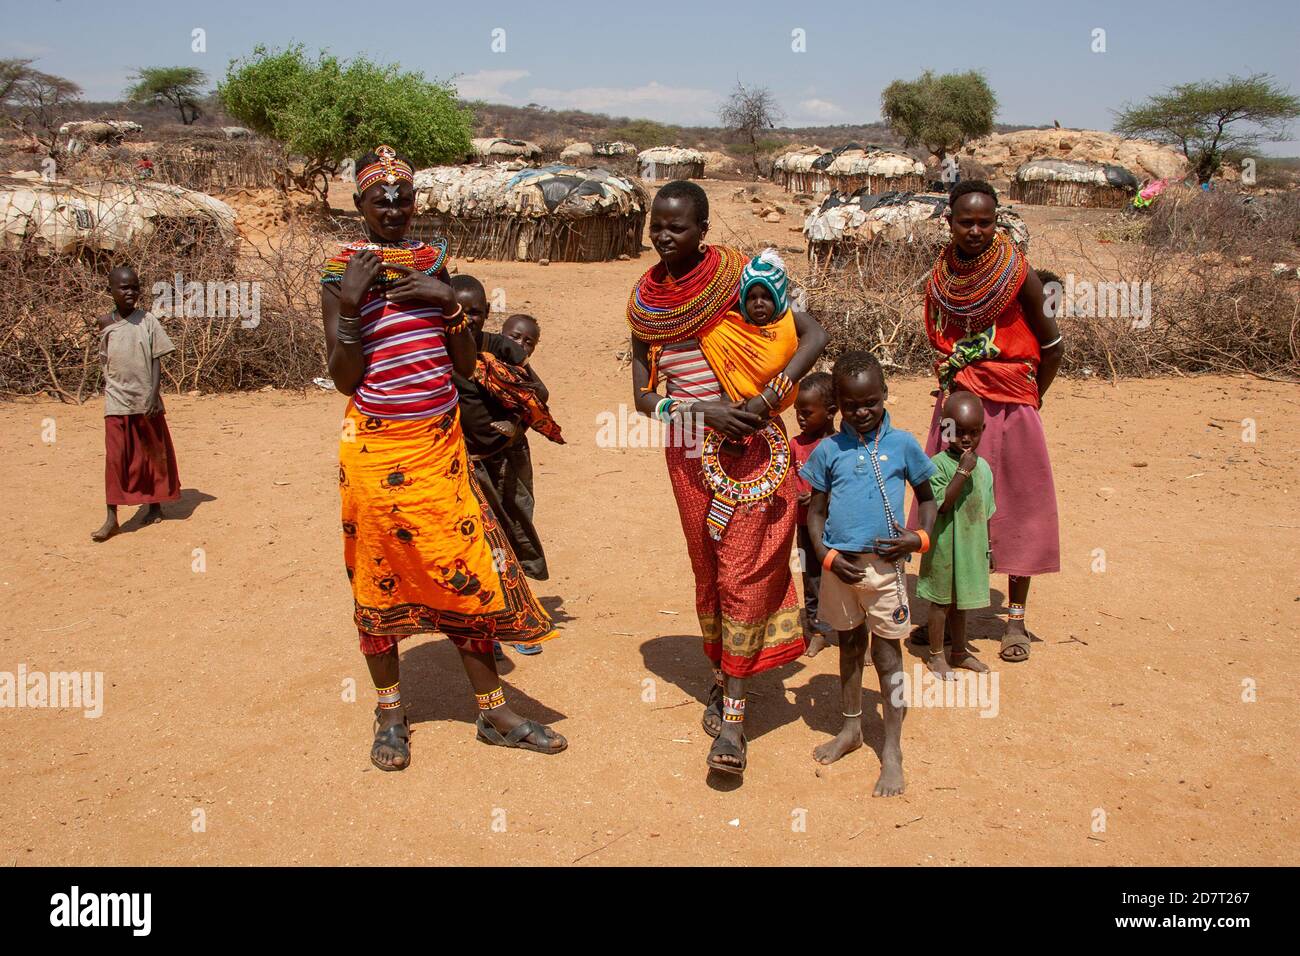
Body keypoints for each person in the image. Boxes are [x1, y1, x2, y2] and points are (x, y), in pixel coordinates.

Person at [320, 145, 565, 772]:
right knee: (379, 578)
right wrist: (351, 308)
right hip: (377, 448)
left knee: (467, 571)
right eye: (381, 197)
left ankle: (492, 709)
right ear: (360, 204)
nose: (395, 207)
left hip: (439, 445)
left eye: (403, 195)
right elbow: (345, 379)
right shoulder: (338, 273)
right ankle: (390, 712)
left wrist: (447, 302)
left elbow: (461, 365)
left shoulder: (433, 263)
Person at [628, 182, 827, 777]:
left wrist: (769, 395)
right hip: (689, 451)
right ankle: (723, 675)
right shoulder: (645, 303)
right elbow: (641, 397)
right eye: (657, 226)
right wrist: (698, 412)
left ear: (704, 228)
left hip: (755, 447)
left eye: (679, 226)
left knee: (744, 572)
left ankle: (734, 722)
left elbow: (812, 334)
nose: (665, 236)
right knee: (711, 570)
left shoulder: (742, 276)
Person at [921, 180, 1063, 663]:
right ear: (950, 222)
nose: (977, 230)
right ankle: (943, 611)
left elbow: (1052, 346)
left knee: (1019, 510)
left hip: (1012, 403)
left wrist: (1029, 400)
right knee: (944, 506)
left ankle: (1016, 620)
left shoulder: (1020, 275)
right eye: (967, 221)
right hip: (958, 404)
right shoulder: (942, 276)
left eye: (986, 221)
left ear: (997, 221)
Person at [802, 351, 937, 797]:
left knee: (888, 656)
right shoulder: (828, 451)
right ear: (838, 404)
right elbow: (815, 513)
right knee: (848, 649)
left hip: (886, 571)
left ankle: (893, 749)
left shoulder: (903, 445)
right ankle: (852, 728)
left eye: (871, 403)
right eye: (853, 405)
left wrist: (917, 539)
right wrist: (824, 556)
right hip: (842, 569)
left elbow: (928, 499)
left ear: (884, 396)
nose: (863, 412)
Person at [449, 278, 558, 660]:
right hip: (463, 464)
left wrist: (516, 426)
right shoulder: (438, 351)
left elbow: (538, 394)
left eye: (475, 312)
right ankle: (487, 626)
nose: (467, 319)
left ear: (487, 313)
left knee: (513, 531)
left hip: (509, 460)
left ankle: (518, 617)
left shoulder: (498, 348)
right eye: (459, 311)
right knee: (477, 543)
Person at [91, 265, 181, 542]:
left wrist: (154, 394)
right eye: (124, 287)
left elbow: (156, 358)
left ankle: (154, 505)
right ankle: (111, 517)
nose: (130, 292)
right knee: (116, 458)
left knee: (152, 455)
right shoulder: (105, 323)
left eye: (134, 287)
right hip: (117, 401)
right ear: (112, 290)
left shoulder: (149, 321)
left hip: (146, 400)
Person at [916, 391, 994, 679]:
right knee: (941, 602)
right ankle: (936, 655)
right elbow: (943, 504)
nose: (965, 439)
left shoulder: (984, 468)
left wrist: (989, 546)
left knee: (962, 603)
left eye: (973, 433)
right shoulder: (937, 464)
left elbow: (987, 511)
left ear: (982, 431)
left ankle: (959, 651)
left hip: (970, 548)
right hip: (944, 549)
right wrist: (962, 471)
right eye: (958, 431)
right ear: (944, 428)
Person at [790, 371, 837, 658]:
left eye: (807, 412)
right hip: (805, 527)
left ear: (831, 412)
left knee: (846, 577)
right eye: (797, 412)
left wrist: (823, 497)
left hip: (839, 525)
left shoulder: (842, 445)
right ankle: (817, 630)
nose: (800, 418)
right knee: (811, 576)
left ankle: (855, 632)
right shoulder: (795, 445)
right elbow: (787, 481)